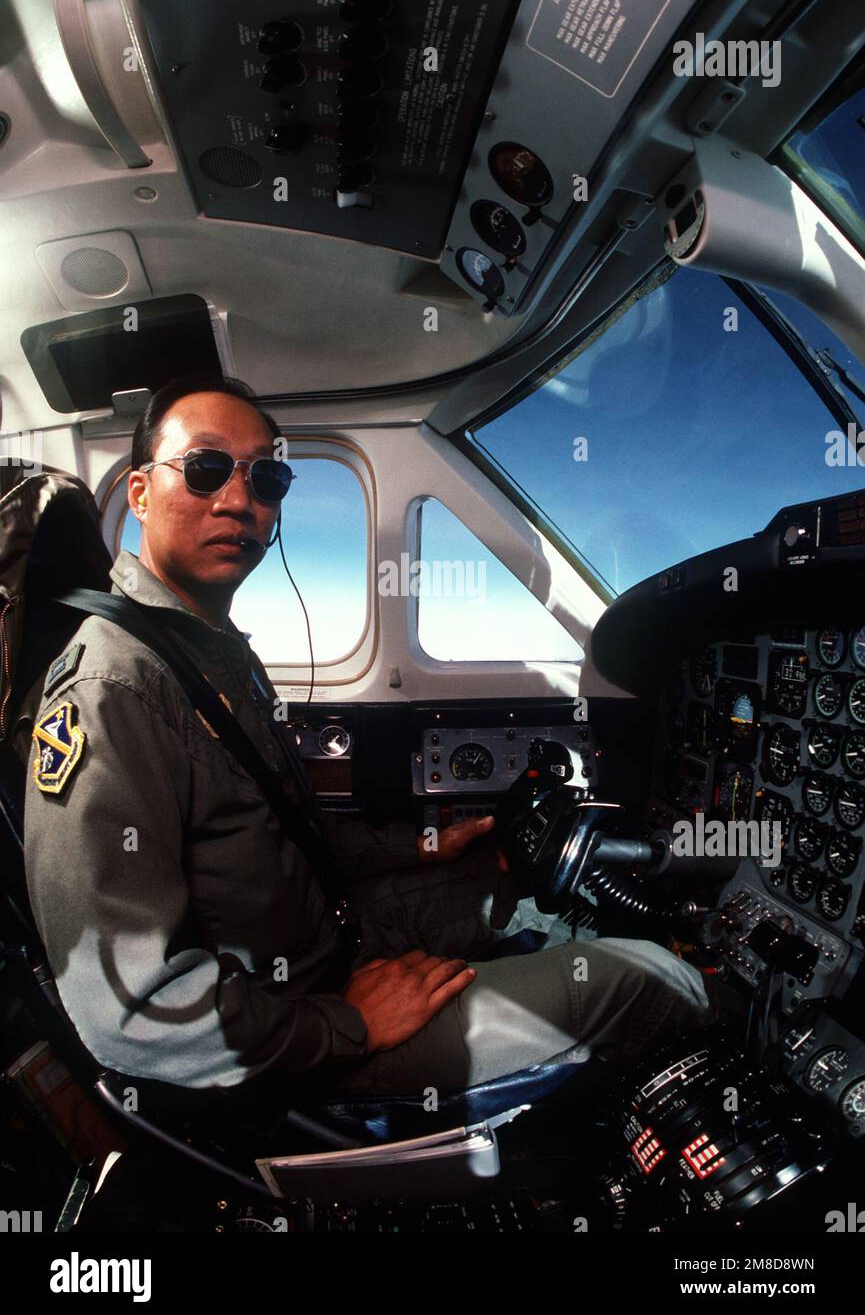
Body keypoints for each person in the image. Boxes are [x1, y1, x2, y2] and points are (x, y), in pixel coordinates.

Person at [19, 376, 714, 1101]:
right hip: (283, 1036)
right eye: (204, 469)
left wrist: (419, 848)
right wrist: (347, 1023)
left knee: (528, 889)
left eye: (267, 477)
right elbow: (127, 1013)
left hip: (327, 938)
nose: (238, 500)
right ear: (137, 494)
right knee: (645, 979)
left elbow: (287, 831)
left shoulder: (211, 648)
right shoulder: (113, 690)